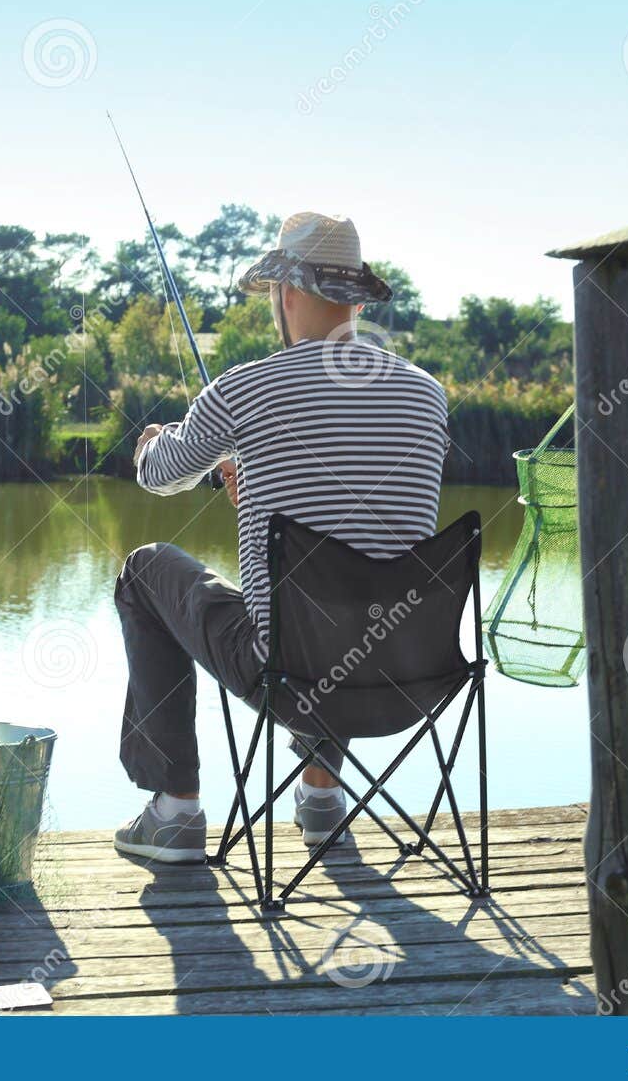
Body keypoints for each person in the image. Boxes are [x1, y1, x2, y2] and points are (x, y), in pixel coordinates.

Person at [112, 212, 450, 863]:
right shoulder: (426, 395)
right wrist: (265, 483)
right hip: (410, 674)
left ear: (286, 293)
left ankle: (175, 807)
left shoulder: (244, 388)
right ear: (354, 297)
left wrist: (155, 441)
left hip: (287, 676)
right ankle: (322, 800)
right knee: (352, 595)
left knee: (144, 569)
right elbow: (362, 509)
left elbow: (160, 478)